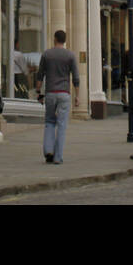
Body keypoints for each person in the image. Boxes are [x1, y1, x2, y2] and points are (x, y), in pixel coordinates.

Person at [36, 29, 80, 165]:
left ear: (55, 39)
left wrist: (38, 92)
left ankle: (48, 150)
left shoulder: (46, 54)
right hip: (64, 93)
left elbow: (40, 75)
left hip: (50, 93)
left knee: (49, 122)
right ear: (65, 40)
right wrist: (77, 96)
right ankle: (58, 157)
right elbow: (76, 78)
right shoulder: (70, 55)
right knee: (61, 125)